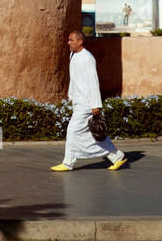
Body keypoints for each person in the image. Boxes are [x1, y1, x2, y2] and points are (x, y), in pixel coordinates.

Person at [51, 30, 127, 171]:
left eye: (71, 40)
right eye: (69, 40)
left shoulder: (87, 58)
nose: (68, 42)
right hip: (78, 101)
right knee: (90, 134)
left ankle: (68, 162)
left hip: (86, 102)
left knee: (73, 130)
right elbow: (75, 79)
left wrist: (95, 104)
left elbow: (93, 81)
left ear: (80, 41)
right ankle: (117, 156)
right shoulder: (73, 55)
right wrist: (71, 96)